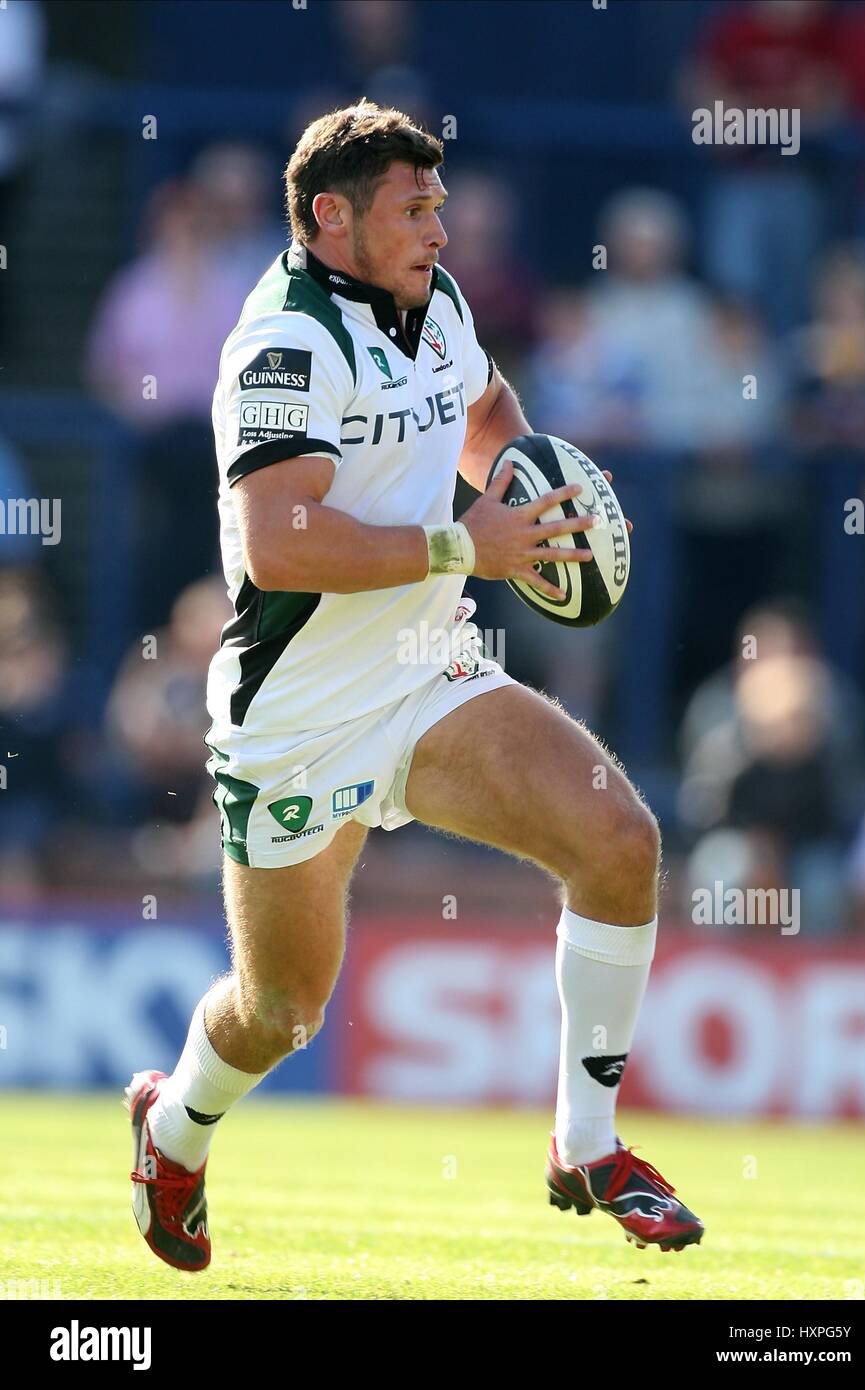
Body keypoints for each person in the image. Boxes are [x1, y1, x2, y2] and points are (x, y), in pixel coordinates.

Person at [124, 100, 703, 1271]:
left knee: (619, 840)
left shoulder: (438, 302)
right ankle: (173, 1127)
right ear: (330, 216)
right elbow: (282, 541)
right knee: (281, 1010)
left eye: (439, 202)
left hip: (428, 669)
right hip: (297, 715)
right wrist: (468, 546)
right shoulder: (282, 341)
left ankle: (585, 1144)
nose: (439, 225)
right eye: (413, 206)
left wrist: (533, 501)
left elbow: (486, 412)